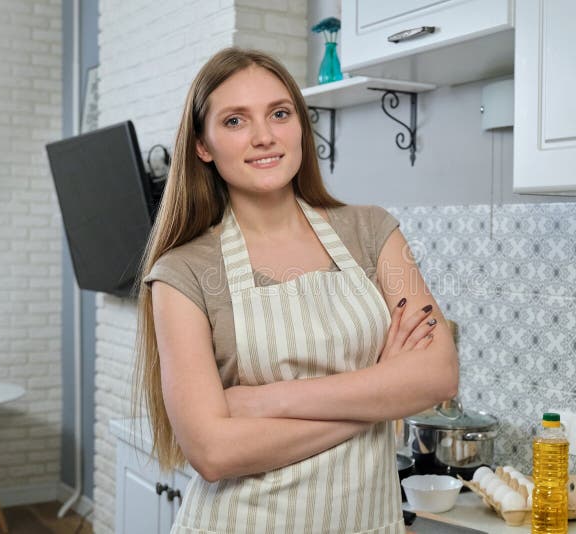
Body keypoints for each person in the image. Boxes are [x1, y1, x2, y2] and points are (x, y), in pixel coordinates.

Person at [133, 47, 459, 534]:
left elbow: (437, 375)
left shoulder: (370, 232)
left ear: (300, 127)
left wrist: (268, 401)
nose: (264, 136)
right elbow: (213, 453)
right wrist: (381, 395)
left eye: (279, 114)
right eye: (235, 121)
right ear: (203, 145)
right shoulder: (183, 274)